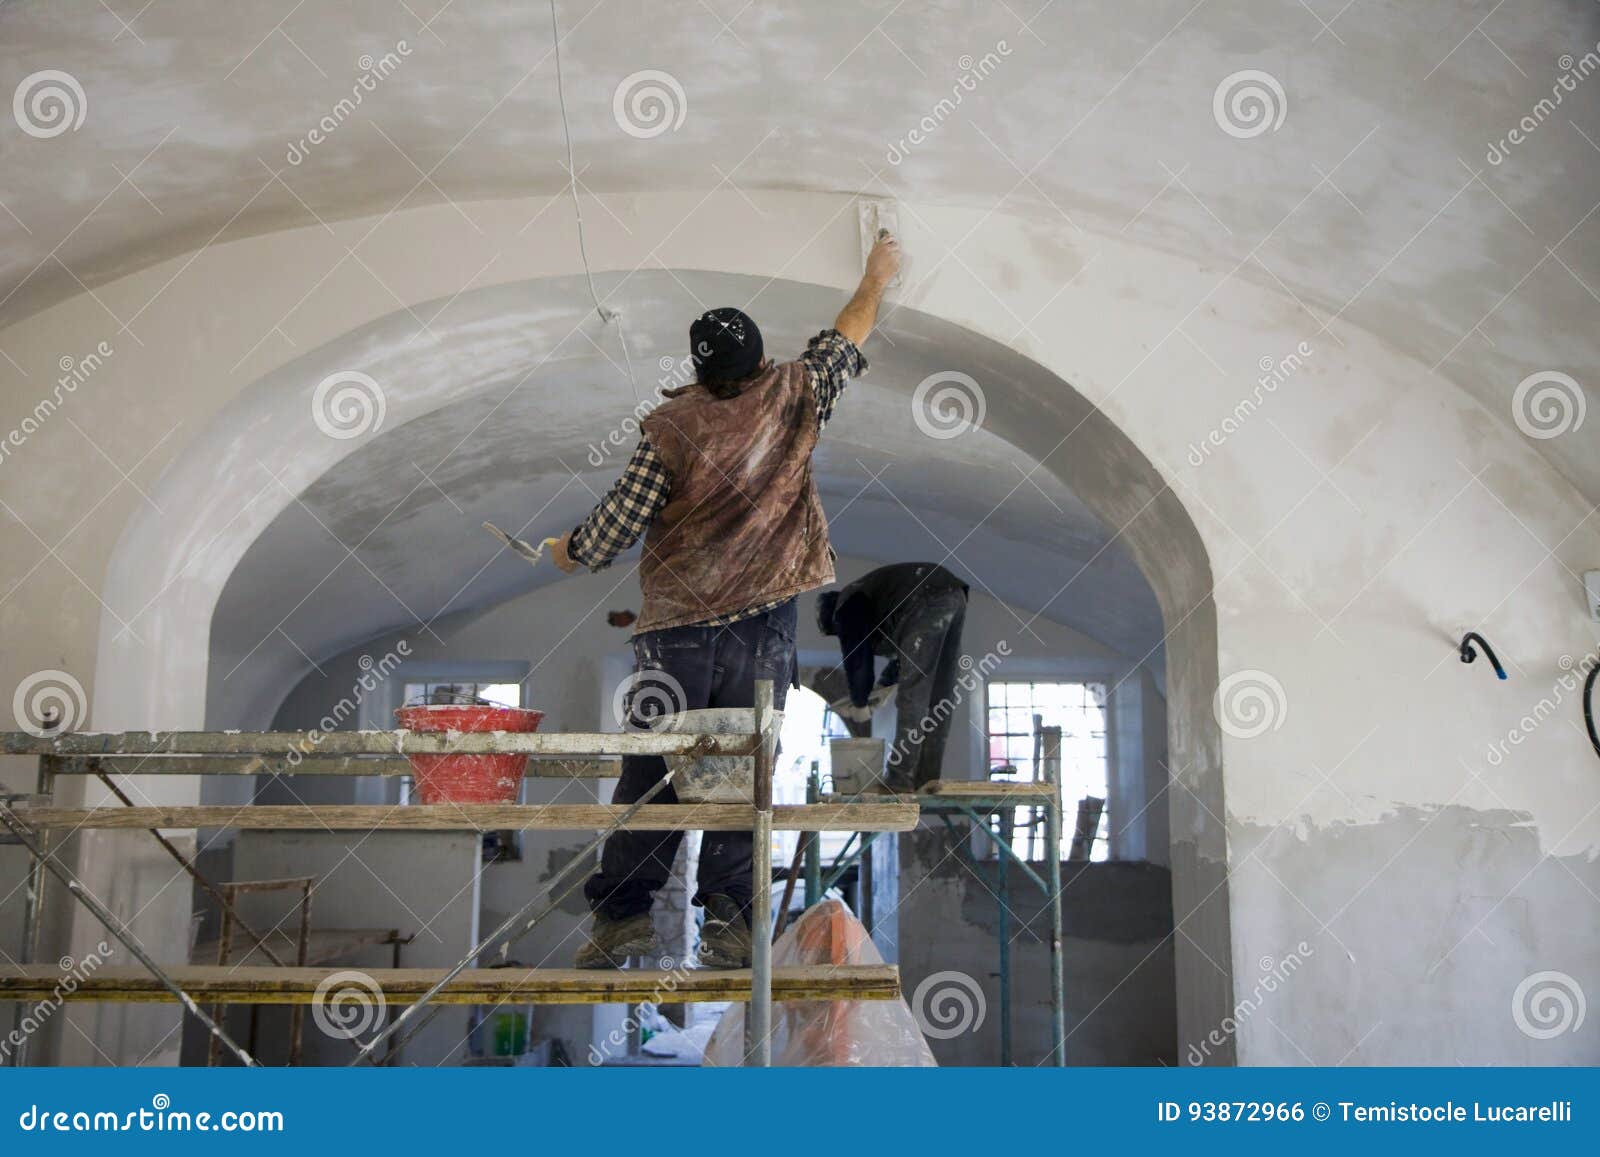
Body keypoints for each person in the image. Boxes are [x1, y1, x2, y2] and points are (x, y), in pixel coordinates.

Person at [548, 231, 903, 969]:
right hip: (763, 632)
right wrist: (875, 273)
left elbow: (615, 525)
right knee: (745, 776)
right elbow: (850, 331)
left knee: (654, 775)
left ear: (700, 373)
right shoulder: (797, 392)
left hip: (676, 631)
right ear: (759, 359)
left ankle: (622, 923)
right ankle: (732, 927)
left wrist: (567, 549)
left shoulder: (672, 428)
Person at [815, 562, 970, 793]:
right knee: (941, 697)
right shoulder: (878, 601)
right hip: (953, 595)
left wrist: (859, 701)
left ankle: (899, 780)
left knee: (913, 695)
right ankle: (926, 780)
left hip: (926, 597)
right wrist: (882, 687)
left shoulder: (846, 605)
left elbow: (857, 656)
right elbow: (905, 654)